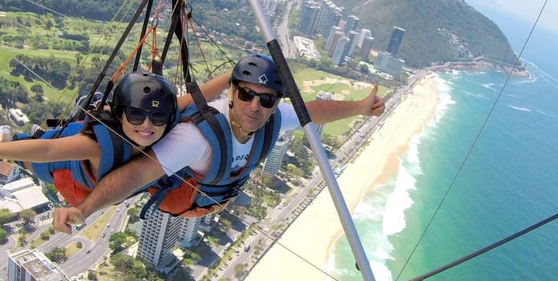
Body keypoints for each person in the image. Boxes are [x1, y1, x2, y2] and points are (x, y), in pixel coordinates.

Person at [52, 54, 385, 232]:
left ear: (275, 104)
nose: (254, 106)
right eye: (246, 94)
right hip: (181, 202)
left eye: (266, 100)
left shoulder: (272, 117)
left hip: (213, 199)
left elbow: (312, 111)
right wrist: (83, 210)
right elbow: (137, 174)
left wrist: (360, 107)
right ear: (232, 92)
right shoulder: (196, 138)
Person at [0, 71, 229, 205]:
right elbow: (46, 150)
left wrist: (237, 76)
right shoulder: (98, 144)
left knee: (46, 138)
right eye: (136, 116)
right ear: (121, 114)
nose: (147, 126)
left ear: (166, 116)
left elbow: (200, 95)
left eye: (157, 117)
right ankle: (6, 142)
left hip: (76, 178)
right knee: (29, 150)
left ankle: (16, 140)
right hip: (57, 163)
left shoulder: (166, 120)